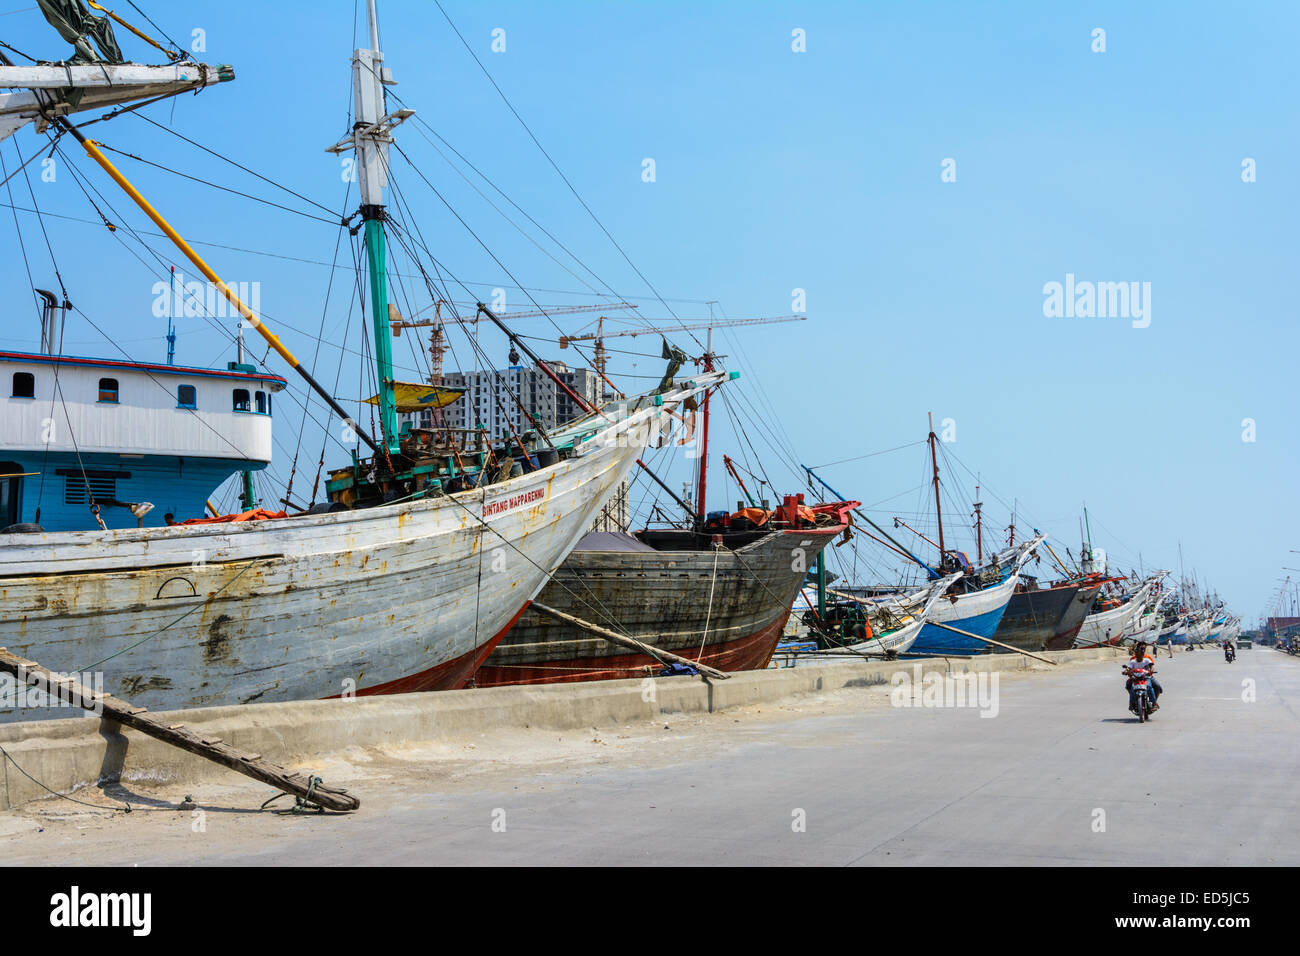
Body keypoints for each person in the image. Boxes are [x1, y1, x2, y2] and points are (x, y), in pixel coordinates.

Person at [1123, 641, 1161, 712]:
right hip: (1135, 677)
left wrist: (1151, 671)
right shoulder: (1133, 660)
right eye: (1141, 648)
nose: (1142, 650)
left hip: (1146, 677)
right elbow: (1129, 668)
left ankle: (1154, 703)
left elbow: (1152, 666)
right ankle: (1132, 702)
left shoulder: (1147, 659)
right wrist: (1127, 672)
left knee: (1155, 686)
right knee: (1129, 686)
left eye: (1144, 648)